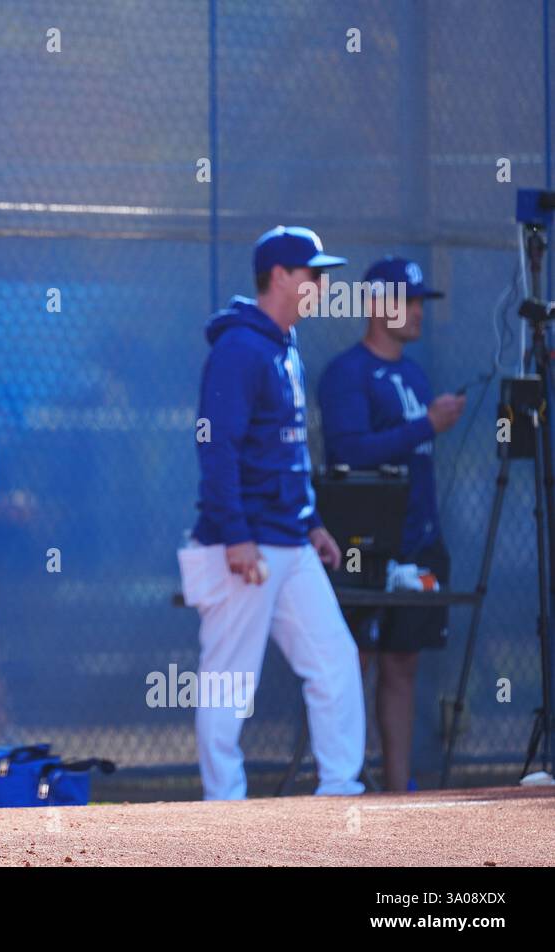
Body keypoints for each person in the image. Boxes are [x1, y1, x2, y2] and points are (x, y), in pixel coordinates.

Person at [178, 225, 366, 800]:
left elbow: (287, 450)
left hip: (289, 539)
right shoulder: (240, 347)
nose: (320, 285)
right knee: (230, 680)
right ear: (279, 276)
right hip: (244, 544)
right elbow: (217, 447)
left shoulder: (284, 345)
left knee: (334, 660)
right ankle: (224, 807)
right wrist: (235, 534)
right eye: (313, 274)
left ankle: (339, 791)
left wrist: (311, 523)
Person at [318, 256, 463, 791]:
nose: (420, 311)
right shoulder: (346, 374)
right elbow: (349, 451)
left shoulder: (415, 373)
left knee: (403, 665)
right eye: (410, 300)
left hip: (419, 544)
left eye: (423, 300)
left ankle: (398, 795)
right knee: (353, 662)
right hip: (364, 549)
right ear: (378, 306)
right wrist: (425, 423)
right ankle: (342, 785)